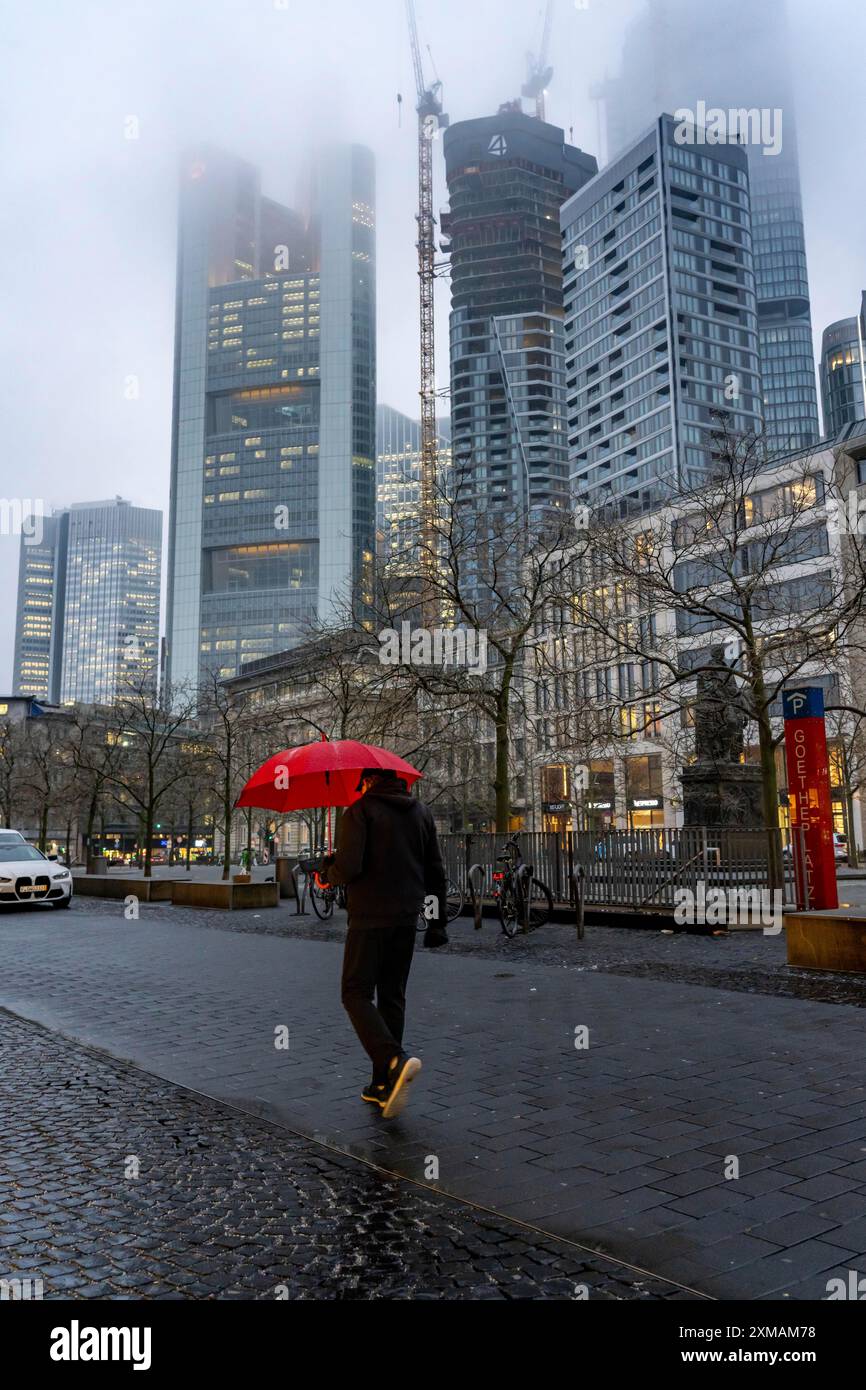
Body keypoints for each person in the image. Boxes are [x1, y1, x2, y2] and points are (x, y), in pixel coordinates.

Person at [319, 767, 447, 1120]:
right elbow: (435, 871)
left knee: (355, 992)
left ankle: (394, 1059)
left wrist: (327, 871)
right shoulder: (421, 812)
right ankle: (382, 1085)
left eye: (361, 781)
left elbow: (350, 868)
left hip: (368, 918)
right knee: (392, 995)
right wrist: (437, 923)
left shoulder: (360, 811)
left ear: (369, 780)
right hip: (405, 918)